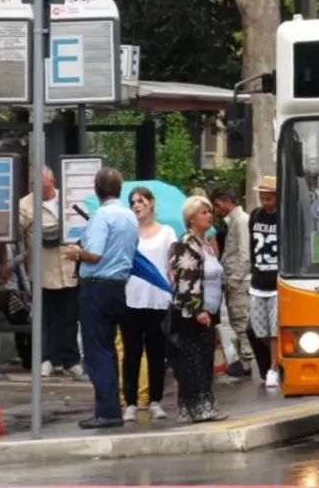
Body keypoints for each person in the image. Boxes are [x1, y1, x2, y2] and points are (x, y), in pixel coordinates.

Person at [63, 167, 139, 429]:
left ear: (97, 191)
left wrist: (76, 252)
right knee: (109, 348)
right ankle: (112, 408)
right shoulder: (130, 216)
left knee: (98, 351)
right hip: (119, 287)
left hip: (96, 287)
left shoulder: (101, 216)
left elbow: (94, 253)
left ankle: (106, 411)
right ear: (120, 189)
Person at [16, 165, 84, 381]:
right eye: (37, 187)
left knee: (69, 318)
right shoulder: (25, 205)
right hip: (43, 270)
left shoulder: (68, 199)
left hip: (68, 268)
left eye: (45, 187)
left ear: (53, 182)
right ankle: (46, 359)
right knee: (46, 318)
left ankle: (70, 360)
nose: (41, 191)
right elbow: (16, 231)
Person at [169, 195, 228, 424]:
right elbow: (186, 281)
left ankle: (199, 407)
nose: (209, 215)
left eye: (209, 211)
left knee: (203, 361)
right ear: (191, 218)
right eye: (204, 212)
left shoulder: (205, 243)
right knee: (193, 363)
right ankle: (197, 408)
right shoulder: (187, 243)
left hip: (208, 312)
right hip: (193, 314)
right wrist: (197, 310)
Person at [122, 186, 176, 422]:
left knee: (156, 353)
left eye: (141, 201)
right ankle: (131, 402)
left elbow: (172, 265)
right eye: (133, 202)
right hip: (131, 300)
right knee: (132, 352)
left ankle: (155, 400)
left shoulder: (167, 232)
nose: (136, 205)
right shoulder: (127, 233)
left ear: (151, 203)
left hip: (159, 300)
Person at [211, 188, 253, 380]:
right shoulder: (234, 221)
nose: (216, 209)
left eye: (217, 204)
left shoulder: (241, 221)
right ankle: (244, 360)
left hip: (239, 281)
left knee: (240, 320)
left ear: (226, 200)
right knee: (237, 321)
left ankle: (246, 363)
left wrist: (235, 280)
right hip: (233, 278)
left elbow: (245, 254)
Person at [248, 176, 280, 389]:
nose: (265, 202)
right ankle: (276, 362)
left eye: (269, 198)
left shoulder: (284, 217)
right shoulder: (255, 216)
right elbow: (251, 245)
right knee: (259, 330)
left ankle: (274, 368)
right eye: (262, 198)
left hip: (277, 283)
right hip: (258, 280)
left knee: (275, 330)